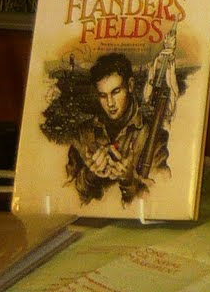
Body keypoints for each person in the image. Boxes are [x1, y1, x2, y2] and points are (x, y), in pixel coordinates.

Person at [65, 50, 173, 206]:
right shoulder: (83, 134)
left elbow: (161, 197)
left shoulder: (154, 136)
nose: (110, 103)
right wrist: (90, 175)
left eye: (116, 92)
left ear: (130, 85)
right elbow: (65, 193)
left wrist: (130, 180)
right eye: (103, 95)